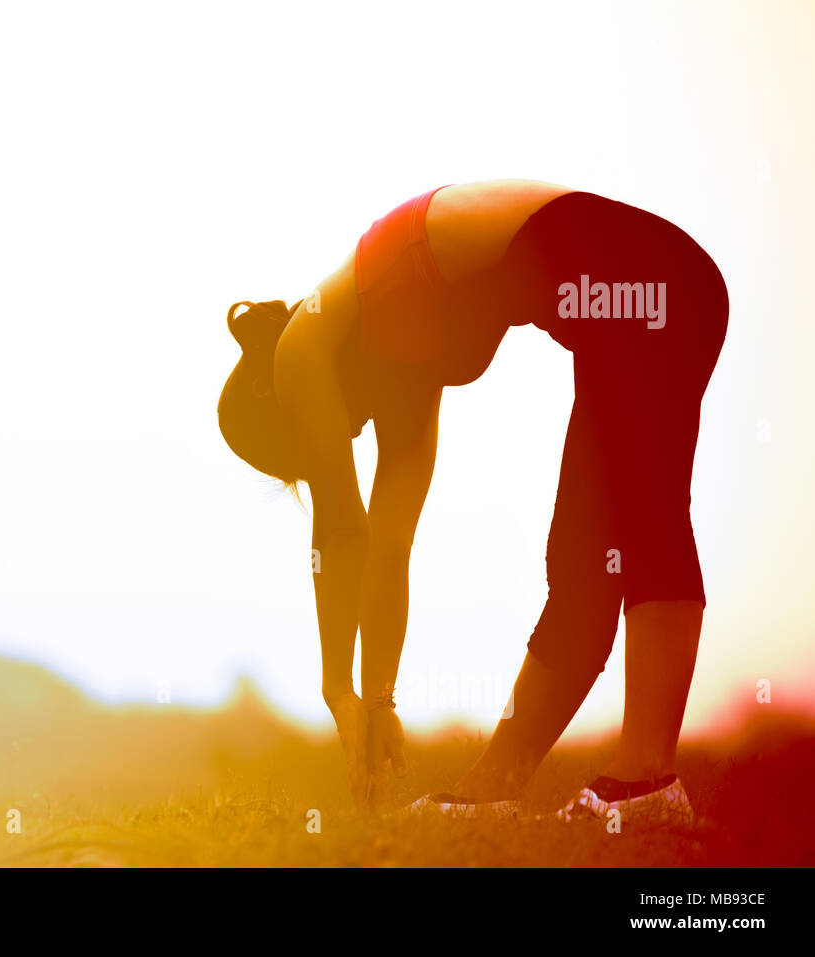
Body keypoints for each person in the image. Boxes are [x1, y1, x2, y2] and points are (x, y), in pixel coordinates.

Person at [217, 180, 728, 823]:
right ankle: (496, 790)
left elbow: (341, 531)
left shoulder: (304, 341)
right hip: (642, 298)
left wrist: (336, 690)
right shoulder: (402, 364)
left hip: (647, 284)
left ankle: (645, 785)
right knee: (585, 559)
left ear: (279, 407)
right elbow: (386, 550)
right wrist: (377, 700)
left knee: (641, 521)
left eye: (304, 449)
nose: (340, 438)